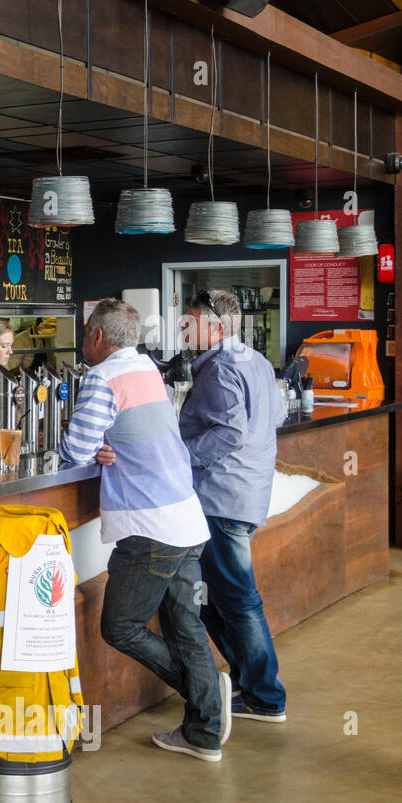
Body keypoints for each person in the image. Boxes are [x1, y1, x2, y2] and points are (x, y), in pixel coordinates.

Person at [60, 298, 231, 761]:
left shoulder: (102, 377)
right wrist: (102, 445)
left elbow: (74, 449)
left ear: (97, 336)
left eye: (86, 333)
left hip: (149, 525)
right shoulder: (148, 371)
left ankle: (206, 698)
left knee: (120, 627)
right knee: (184, 623)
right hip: (185, 517)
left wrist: (92, 447)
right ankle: (204, 727)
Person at [178, 288, 288, 723]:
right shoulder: (254, 361)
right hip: (246, 494)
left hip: (221, 497)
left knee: (238, 600)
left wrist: (178, 457)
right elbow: (275, 417)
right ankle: (249, 684)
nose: (183, 327)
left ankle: (264, 696)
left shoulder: (221, 367)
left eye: (191, 321)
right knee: (211, 599)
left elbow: (230, 432)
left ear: (216, 328)